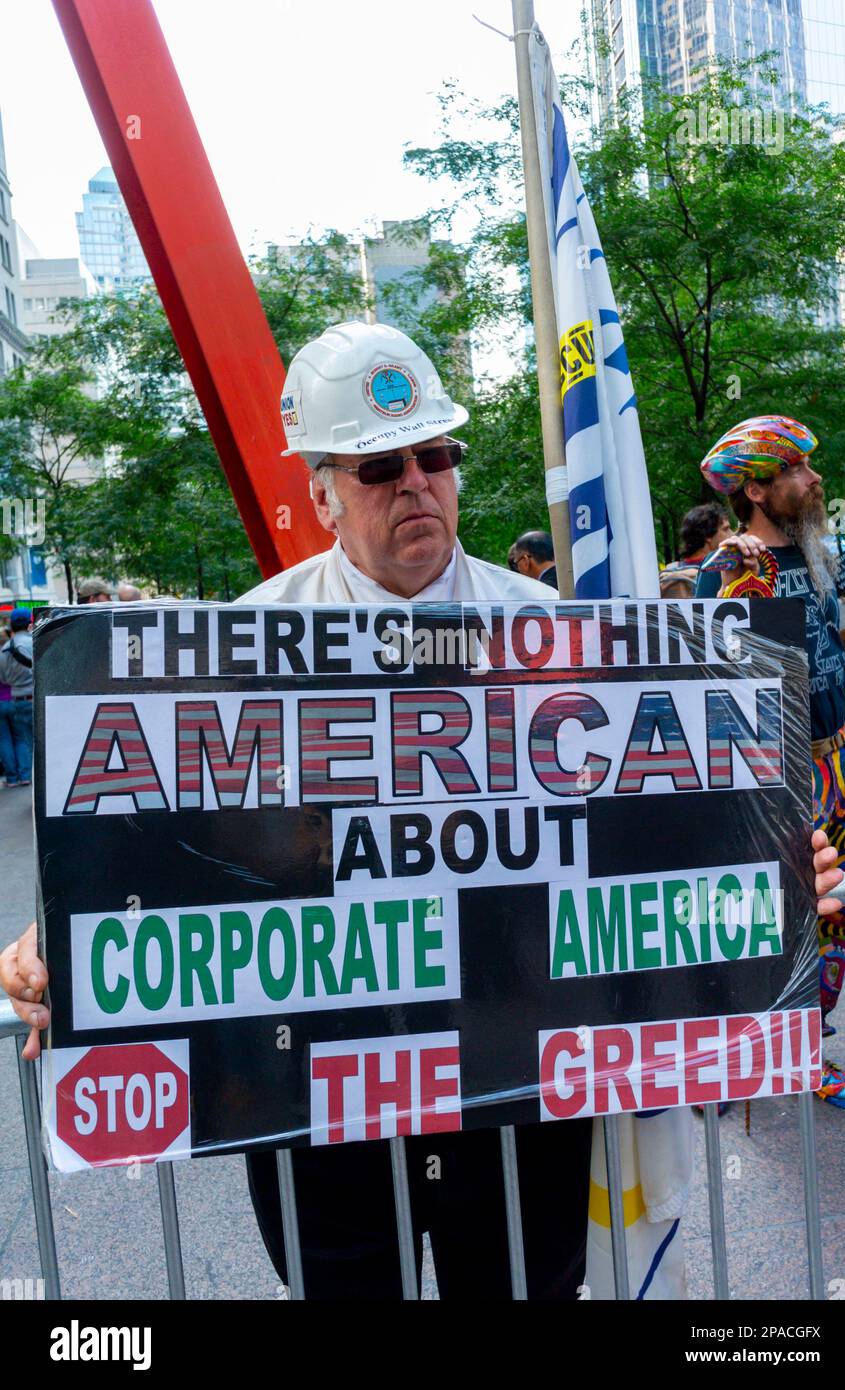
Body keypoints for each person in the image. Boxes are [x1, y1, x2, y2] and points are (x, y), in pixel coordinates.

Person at [1, 322, 591, 1303]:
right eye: (378, 466)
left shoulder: (559, 636)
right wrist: (62, 938)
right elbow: (154, 839)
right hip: (320, 1094)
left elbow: (647, 831)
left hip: (512, 1077)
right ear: (320, 493)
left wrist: (778, 876)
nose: (416, 482)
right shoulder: (238, 650)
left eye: (434, 455)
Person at [695, 414, 845, 1111]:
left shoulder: (817, 554)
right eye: (796, 468)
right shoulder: (732, 568)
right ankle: (770, 1048)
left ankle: (805, 1037)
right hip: (782, 777)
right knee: (790, 910)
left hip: (842, 763)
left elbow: (835, 650)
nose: (814, 477)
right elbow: (710, 676)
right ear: (759, 491)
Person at [659, 502, 733, 596]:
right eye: (725, 529)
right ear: (708, 535)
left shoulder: (670, 571)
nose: (732, 535)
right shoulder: (722, 572)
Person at [0, 607, 33, 788]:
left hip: (17, 702)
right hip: (36, 700)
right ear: (30, 623)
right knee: (41, 749)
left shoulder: (5, 649)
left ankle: (15, 778)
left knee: (25, 743)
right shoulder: (34, 643)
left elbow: (3, 678)